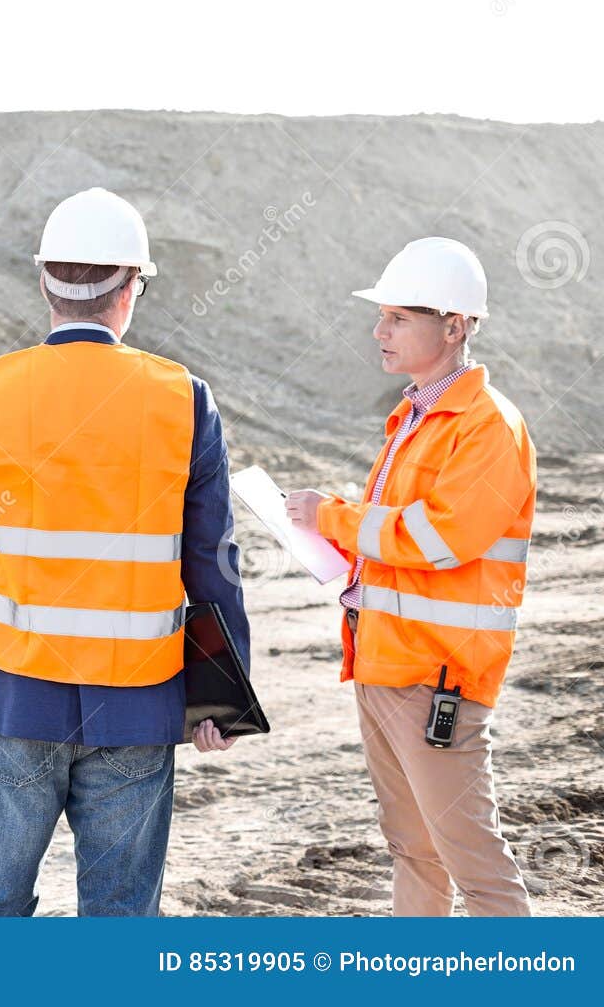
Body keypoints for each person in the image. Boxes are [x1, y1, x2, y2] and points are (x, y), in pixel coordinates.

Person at [0, 188, 250, 917]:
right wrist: (222, 696)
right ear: (131, 289)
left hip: (9, 701)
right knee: (121, 924)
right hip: (139, 709)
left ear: (43, 283)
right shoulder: (184, 399)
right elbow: (212, 565)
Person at [286, 236, 535, 917]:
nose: (379, 329)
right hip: (385, 667)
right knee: (414, 852)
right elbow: (394, 537)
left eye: (398, 317)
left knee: (475, 865)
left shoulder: (487, 426)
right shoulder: (416, 418)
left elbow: (440, 538)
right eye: (383, 315)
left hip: (436, 682)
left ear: (453, 327)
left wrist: (330, 515)